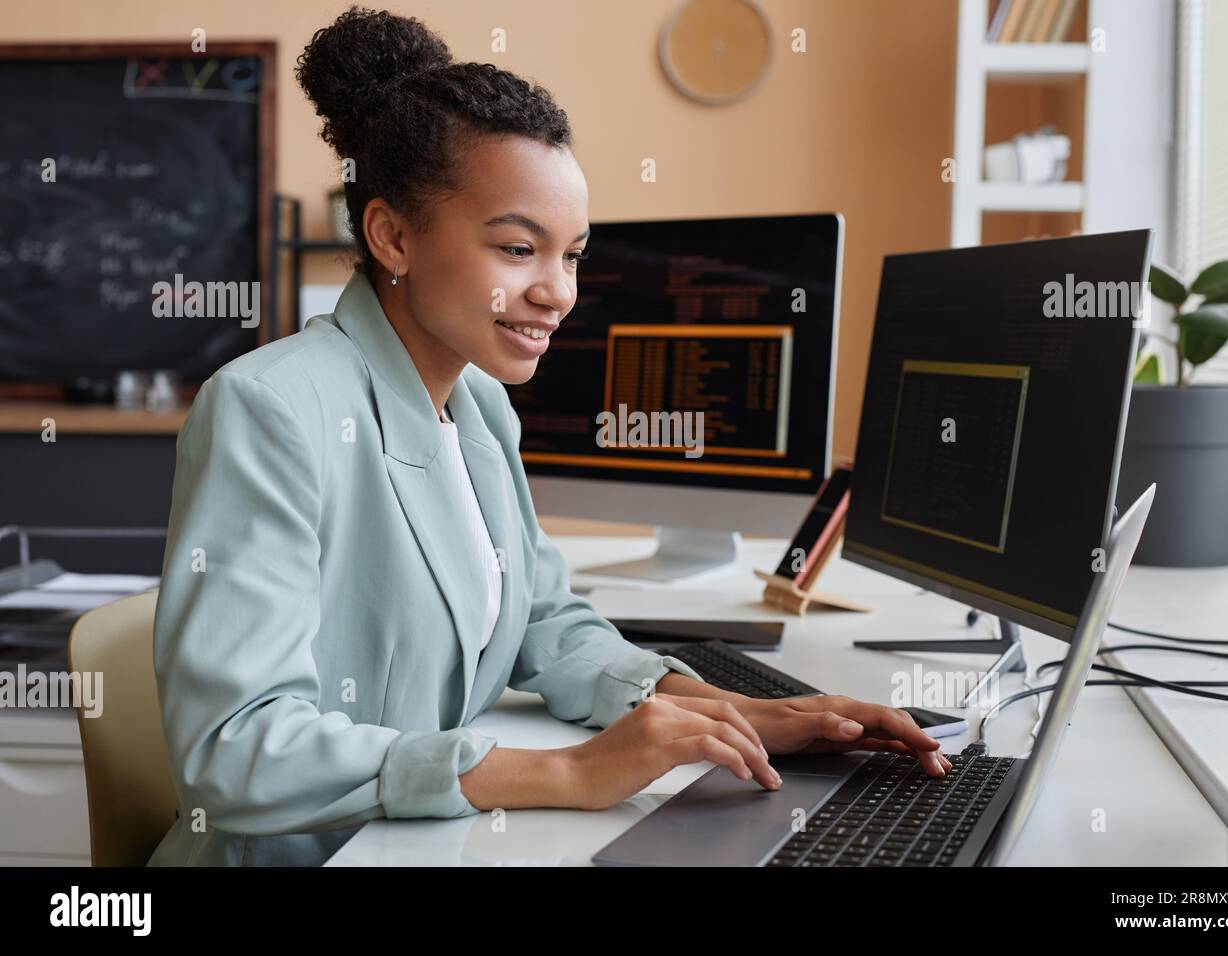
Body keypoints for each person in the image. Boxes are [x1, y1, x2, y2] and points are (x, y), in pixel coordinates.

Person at [148, 5, 948, 867]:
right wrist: (566, 773)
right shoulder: (271, 409)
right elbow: (234, 749)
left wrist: (721, 709)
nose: (558, 292)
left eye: (572, 255)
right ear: (392, 236)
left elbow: (542, 622)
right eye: (519, 248)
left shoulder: (482, 403)